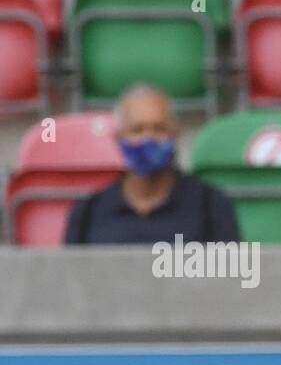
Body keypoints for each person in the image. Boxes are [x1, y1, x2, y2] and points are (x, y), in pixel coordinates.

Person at [64, 84, 239, 246]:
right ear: (118, 138)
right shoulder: (88, 212)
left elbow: (229, 274)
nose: (149, 139)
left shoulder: (211, 206)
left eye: (159, 128)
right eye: (137, 130)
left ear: (174, 134)